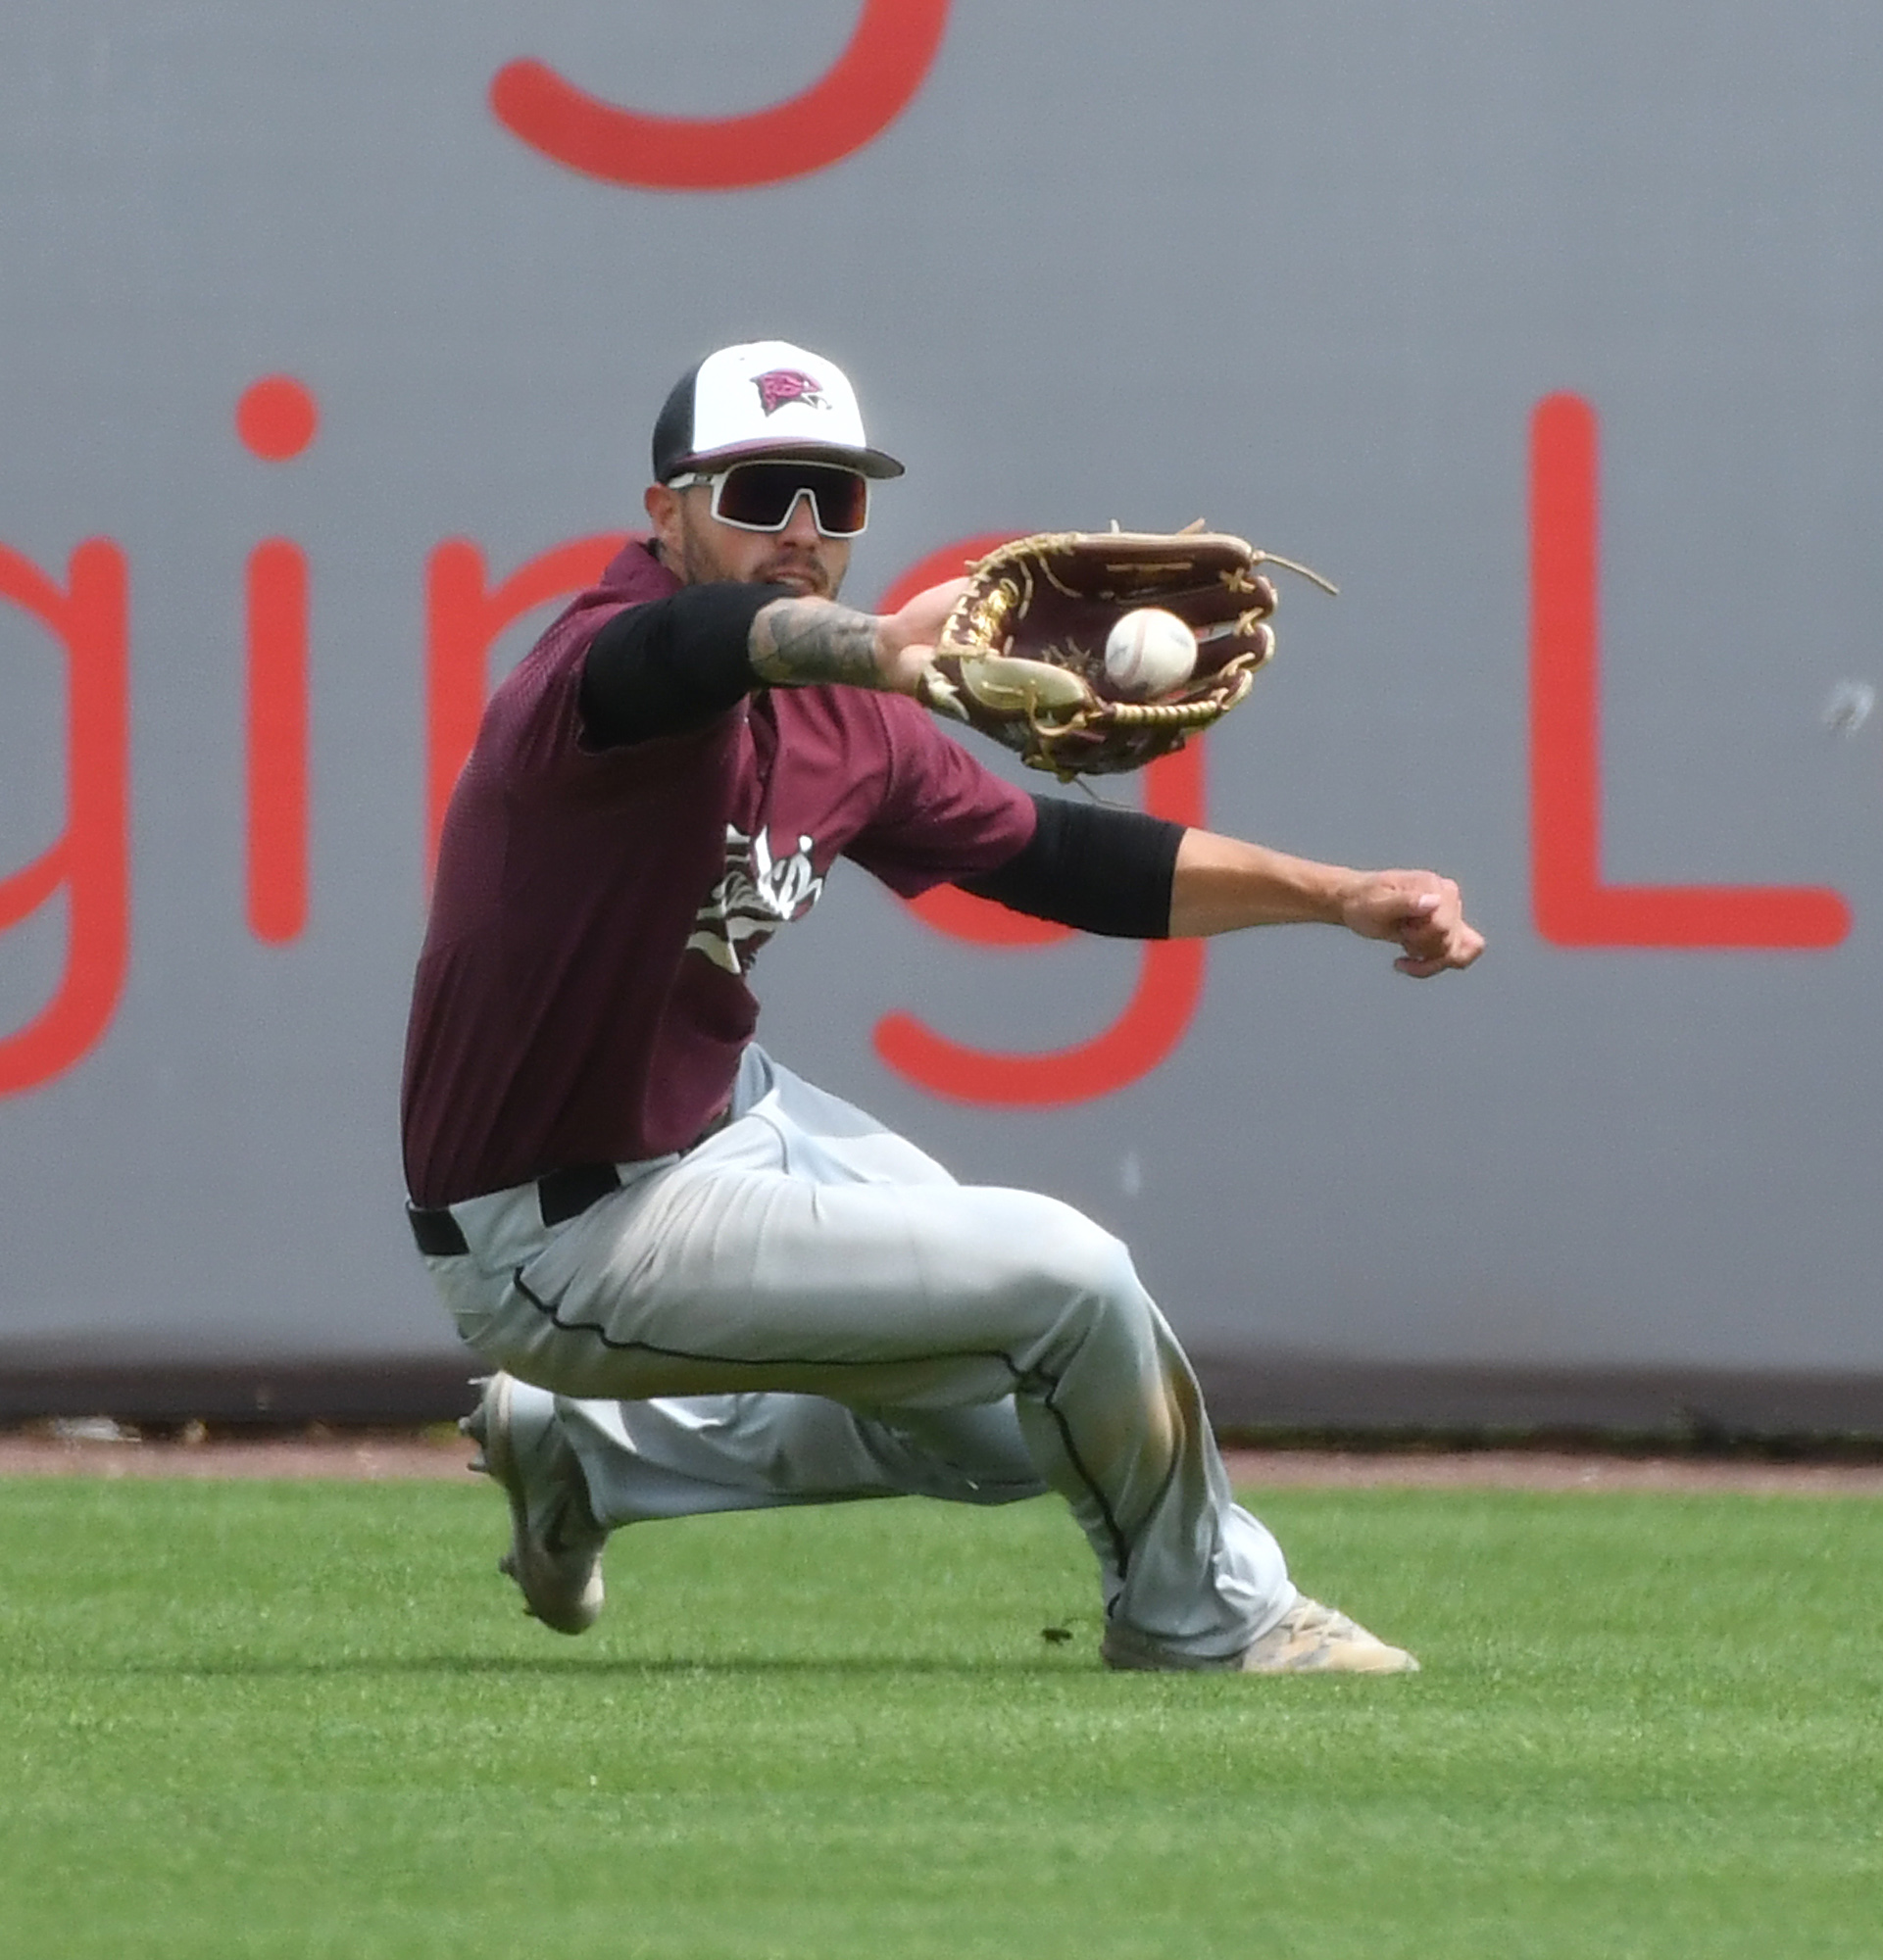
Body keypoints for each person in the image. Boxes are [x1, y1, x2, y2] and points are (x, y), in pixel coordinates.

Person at [401, 338, 1483, 1674]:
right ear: (663, 512)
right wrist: (869, 647)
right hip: (556, 1230)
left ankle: (588, 1449)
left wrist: (1337, 896)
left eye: (831, 498)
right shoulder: (592, 678)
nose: (796, 531)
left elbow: (1058, 857)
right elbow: (689, 647)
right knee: (1067, 1279)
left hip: (718, 1121)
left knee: (997, 1436)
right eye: (754, 495)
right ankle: (1206, 1614)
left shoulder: (844, 725)